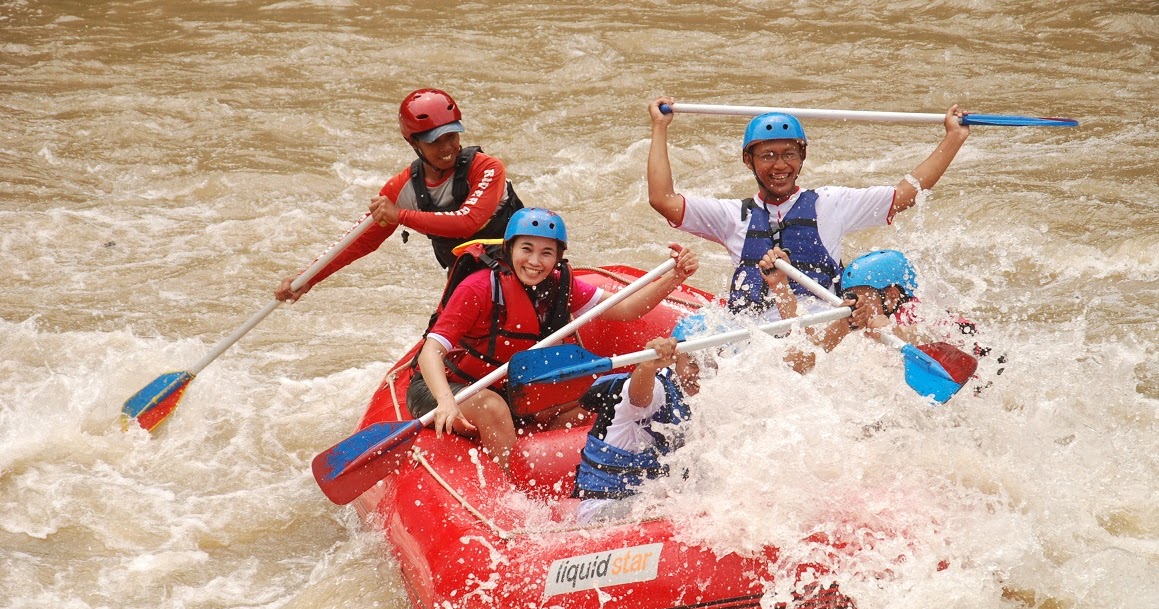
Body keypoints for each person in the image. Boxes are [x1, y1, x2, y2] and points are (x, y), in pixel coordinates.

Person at [409, 208, 700, 474]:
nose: (535, 262)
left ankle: (562, 473)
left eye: (546, 253)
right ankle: (506, 487)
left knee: (584, 402)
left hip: (511, 387)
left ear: (558, 256)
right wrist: (447, 403)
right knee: (492, 407)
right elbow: (430, 353)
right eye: (526, 249)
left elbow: (626, 309)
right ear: (509, 248)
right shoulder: (479, 287)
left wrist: (675, 276)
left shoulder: (560, 284)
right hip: (447, 388)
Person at [646, 95, 971, 319]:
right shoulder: (733, 216)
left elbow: (904, 195)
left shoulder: (830, 204)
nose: (780, 166)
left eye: (789, 154)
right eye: (768, 155)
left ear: (802, 158)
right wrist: (660, 128)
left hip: (816, 331)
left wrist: (953, 138)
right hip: (755, 336)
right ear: (749, 161)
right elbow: (662, 199)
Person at [275, 88, 524, 302]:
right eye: (435, 141)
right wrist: (309, 277)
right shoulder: (401, 189)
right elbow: (361, 240)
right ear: (413, 143)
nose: (447, 147)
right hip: (468, 282)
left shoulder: (487, 168)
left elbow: (468, 221)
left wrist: (401, 216)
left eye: (452, 136)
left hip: (524, 270)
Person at [571, 319, 705, 525]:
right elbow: (639, 399)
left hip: (644, 500)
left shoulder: (707, 399)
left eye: (711, 363)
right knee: (697, 502)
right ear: (675, 360)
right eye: (694, 363)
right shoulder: (658, 388)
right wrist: (647, 367)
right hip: (602, 509)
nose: (704, 373)